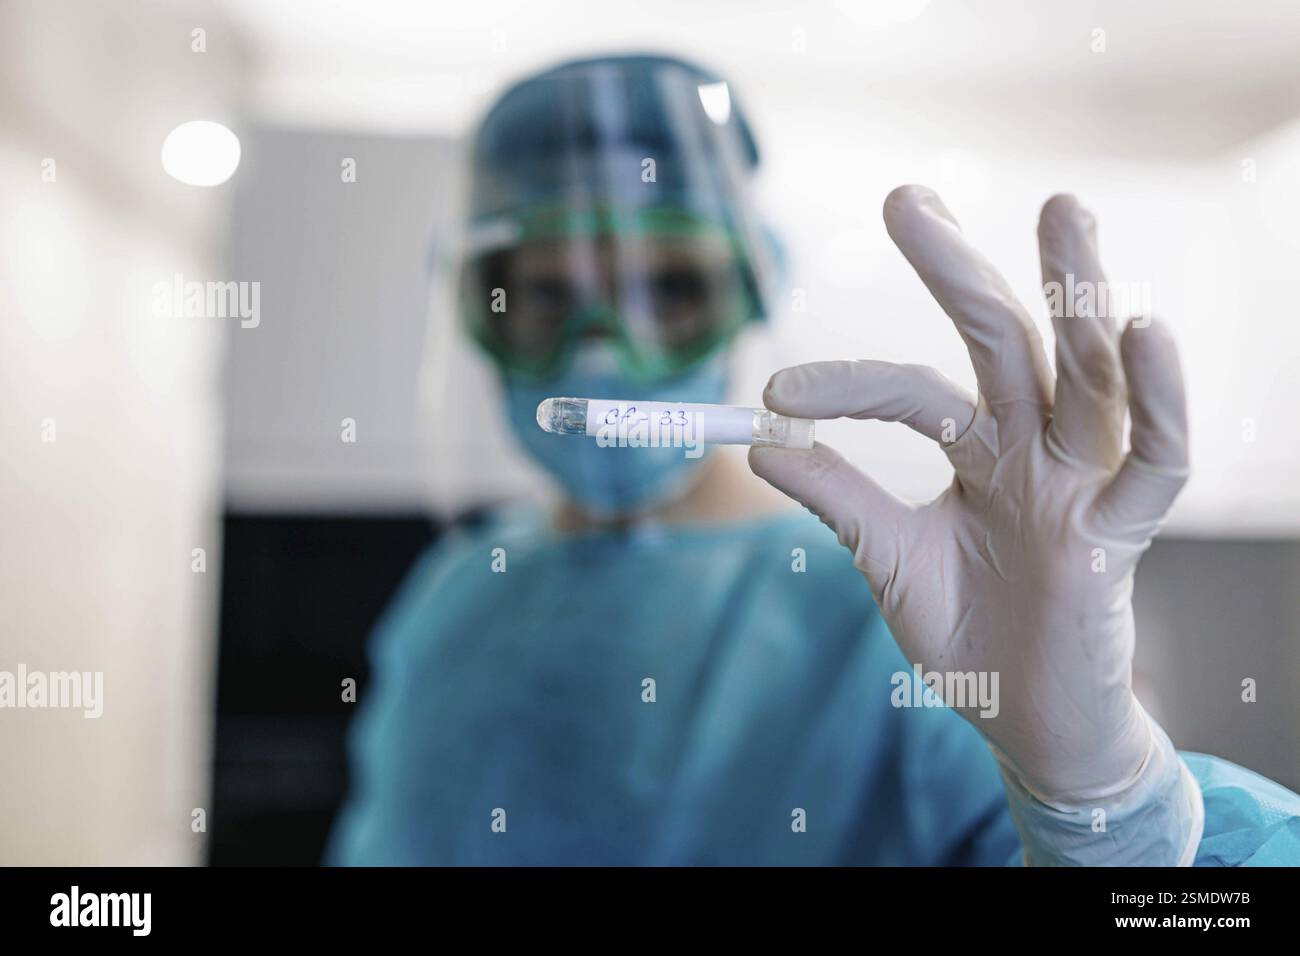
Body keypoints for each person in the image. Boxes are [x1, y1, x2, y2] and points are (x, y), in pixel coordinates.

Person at [328, 54, 1300, 866]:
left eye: (668, 287)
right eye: (544, 294)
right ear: (472, 305)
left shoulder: (905, 621)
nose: (598, 350)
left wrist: (1108, 807)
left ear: (753, 287)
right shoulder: (454, 598)